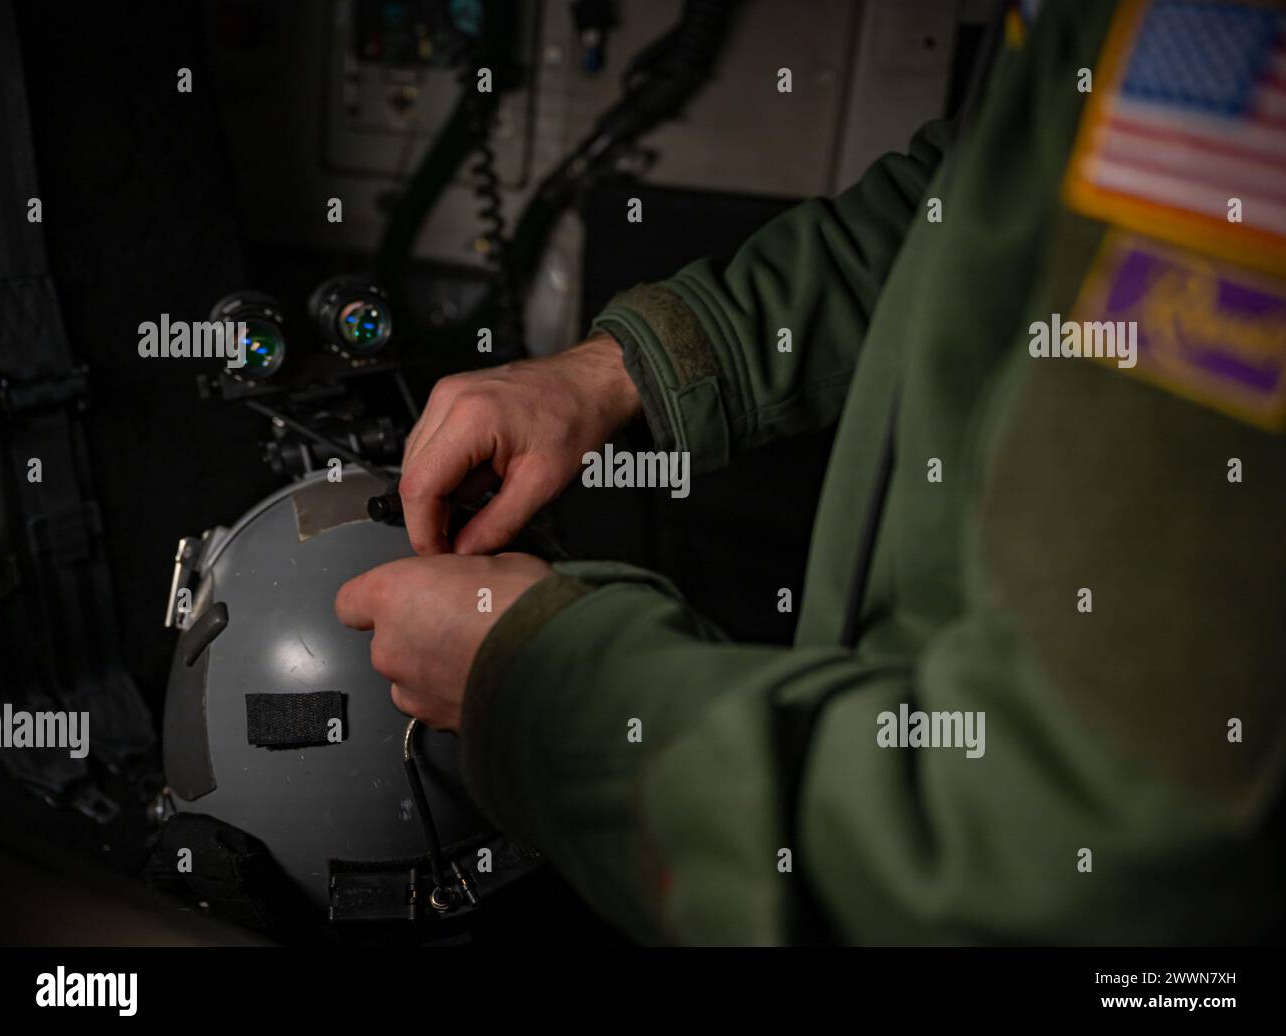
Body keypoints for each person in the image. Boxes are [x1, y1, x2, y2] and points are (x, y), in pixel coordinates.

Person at [334, 0, 1286, 944]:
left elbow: (1061, 839)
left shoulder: (1223, 49)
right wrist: (622, 370)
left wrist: (534, 684)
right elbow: (952, 207)